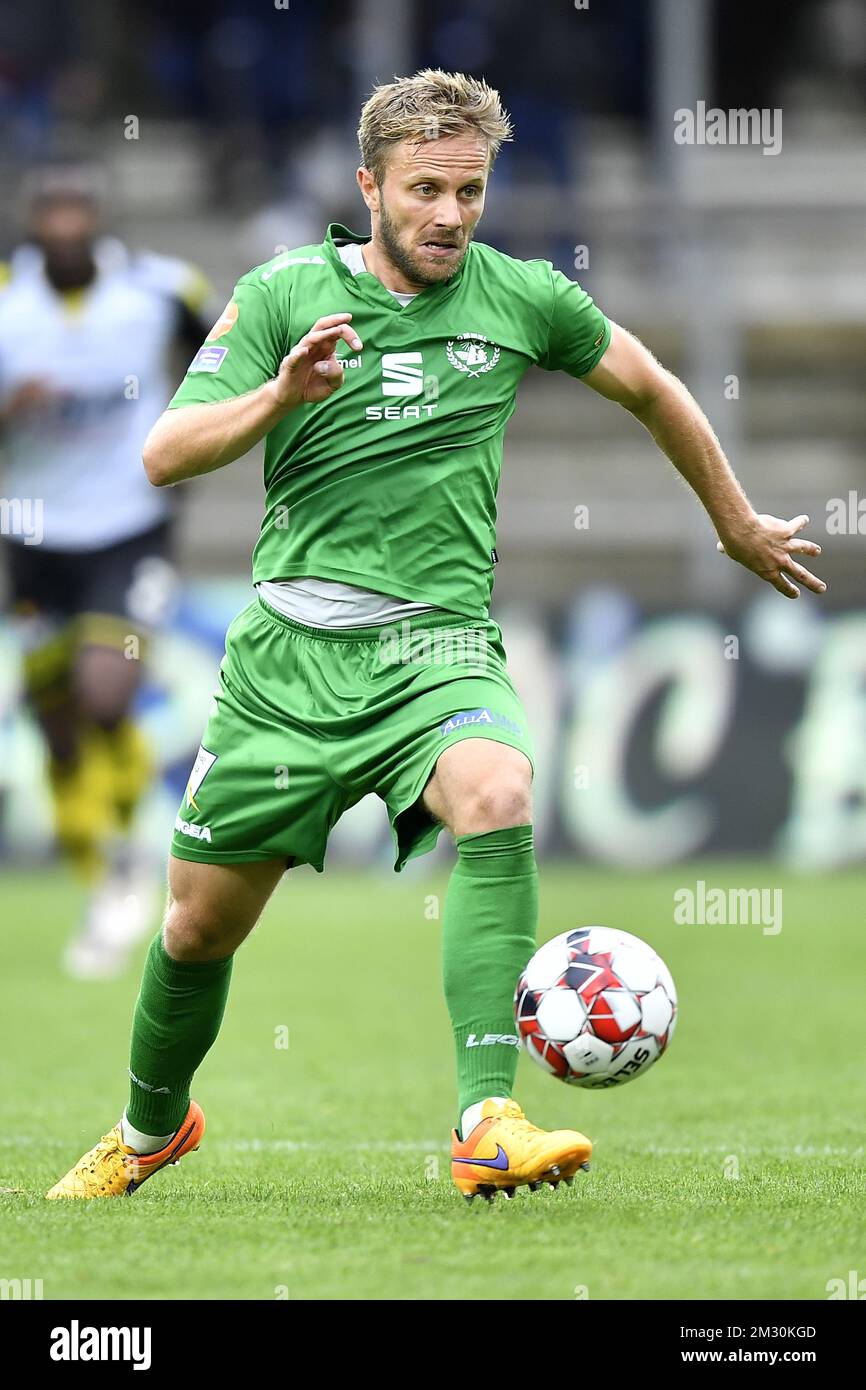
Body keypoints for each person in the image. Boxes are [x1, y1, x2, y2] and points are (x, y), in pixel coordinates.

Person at [47, 71, 825, 1202]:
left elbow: (651, 383)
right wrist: (279, 396)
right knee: (195, 928)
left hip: (438, 649)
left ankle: (484, 1118)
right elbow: (164, 454)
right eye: (423, 190)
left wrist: (733, 521)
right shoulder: (282, 293)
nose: (449, 216)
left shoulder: (523, 298)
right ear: (369, 185)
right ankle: (150, 1125)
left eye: (468, 190)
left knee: (496, 793)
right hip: (285, 666)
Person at [0, 163, 212, 978]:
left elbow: (228, 357)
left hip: (130, 529)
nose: (63, 223)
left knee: (104, 691)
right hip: (31, 538)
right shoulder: (9, 302)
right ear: (31, 219)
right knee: (55, 724)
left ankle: (134, 861)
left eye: (76, 208)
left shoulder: (161, 290)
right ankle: (108, 879)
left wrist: (191, 444)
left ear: (97, 217)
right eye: (49, 209)